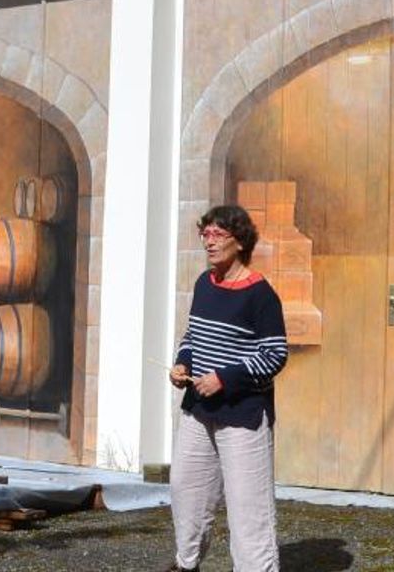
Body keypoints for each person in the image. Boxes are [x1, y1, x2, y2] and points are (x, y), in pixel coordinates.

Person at [167, 204, 289, 572]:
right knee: (185, 491)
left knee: (248, 511)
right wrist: (183, 362)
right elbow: (194, 336)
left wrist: (225, 377)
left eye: (217, 234)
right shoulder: (204, 284)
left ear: (240, 241)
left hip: (243, 417)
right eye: (205, 234)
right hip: (198, 411)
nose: (208, 242)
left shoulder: (260, 294)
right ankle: (186, 564)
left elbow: (275, 355)